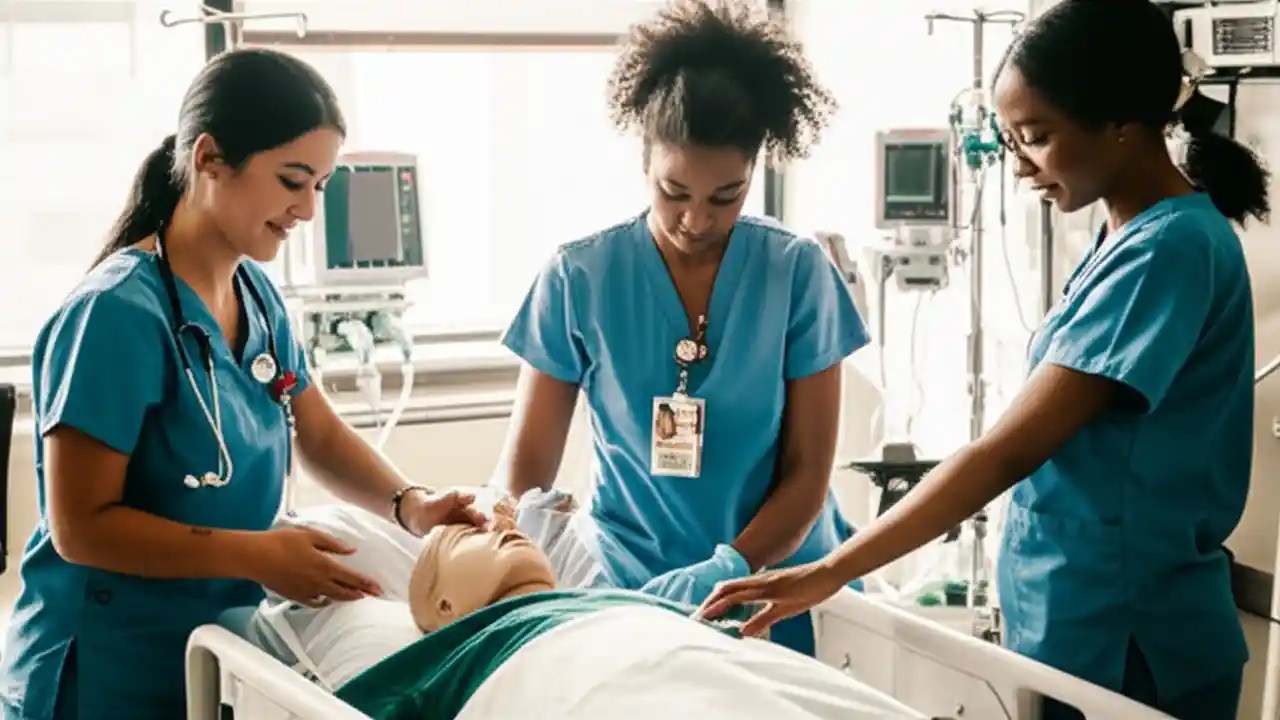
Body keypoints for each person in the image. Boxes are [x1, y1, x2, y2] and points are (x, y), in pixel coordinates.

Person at [699, 1, 1268, 718]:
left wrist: (828, 572)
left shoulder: (1166, 252)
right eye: (1009, 139)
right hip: (1078, 623)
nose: (1021, 164)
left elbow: (1006, 454)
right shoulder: (1129, 238)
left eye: (1036, 137)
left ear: (1122, 122)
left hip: (1129, 636)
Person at [0, 48, 485, 719]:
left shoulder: (255, 296)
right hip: (102, 667)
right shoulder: (113, 317)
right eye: (292, 181)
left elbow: (312, 428)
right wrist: (257, 555)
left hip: (207, 652)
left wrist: (412, 505)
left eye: (320, 186)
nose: (309, 212)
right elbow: (80, 528)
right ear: (209, 159)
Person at [494, 0, 867, 657]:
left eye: (727, 196)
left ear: (756, 174)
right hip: (632, 584)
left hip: (776, 582)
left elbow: (808, 474)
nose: (697, 220)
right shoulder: (579, 278)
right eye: (675, 193)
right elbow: (527, 471)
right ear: (645, 162)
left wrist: (733, 566)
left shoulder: (796, 274)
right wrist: (514, 560)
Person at [329, 523, 922, 720]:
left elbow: (725, 655)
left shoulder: (627, 601)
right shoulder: (463, 648)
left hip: (692, 658)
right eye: (467, 537)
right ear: (443, 611)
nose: (500, 526)